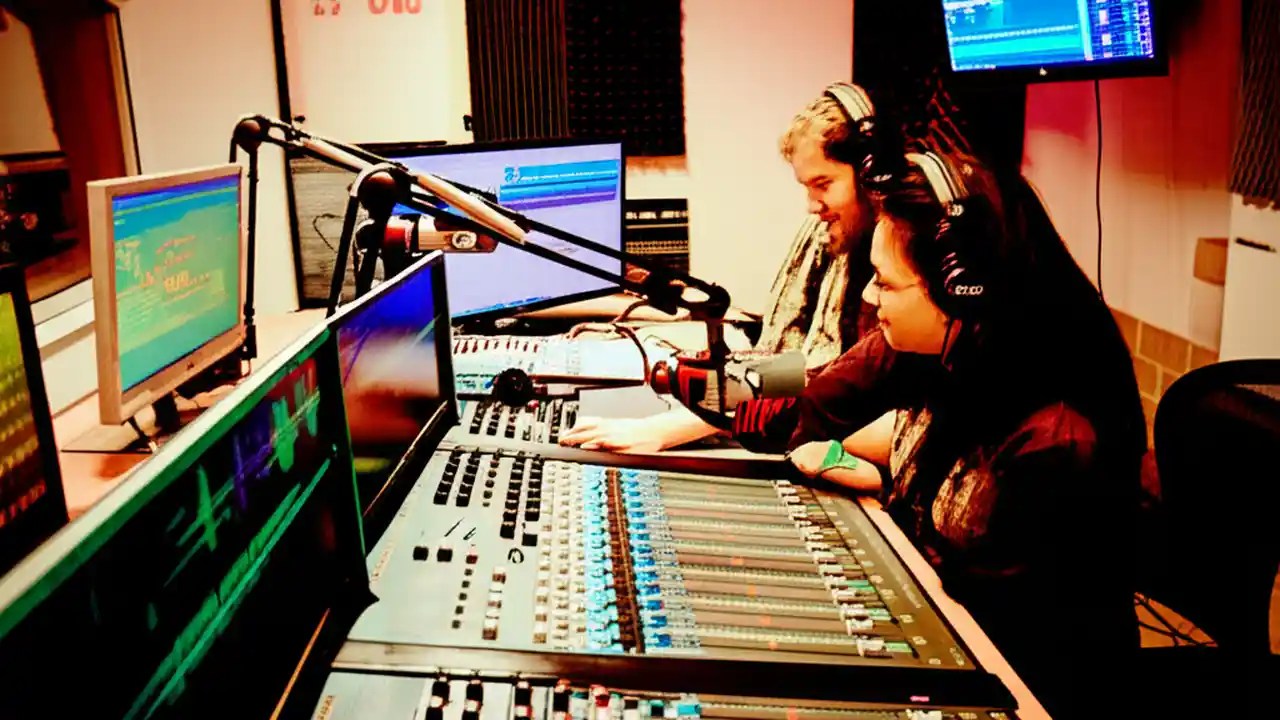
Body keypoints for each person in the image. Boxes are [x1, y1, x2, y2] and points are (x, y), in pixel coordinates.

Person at [787, 149, 1146, 718]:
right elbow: (821, 399)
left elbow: (973, 627)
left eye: (885, 282)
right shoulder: (940, 335)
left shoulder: (1056, 437)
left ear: (962, 289)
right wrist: (879, 474)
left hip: (1032, 688)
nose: (869, 297)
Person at [560, 83, 884, 453]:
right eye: (806, 187)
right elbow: (787, 357)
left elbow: (822, 386)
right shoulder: (830, 232)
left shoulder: (896, 262)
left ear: (870, 173)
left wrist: (670, 428)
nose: (812, 205)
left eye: (823, 184)